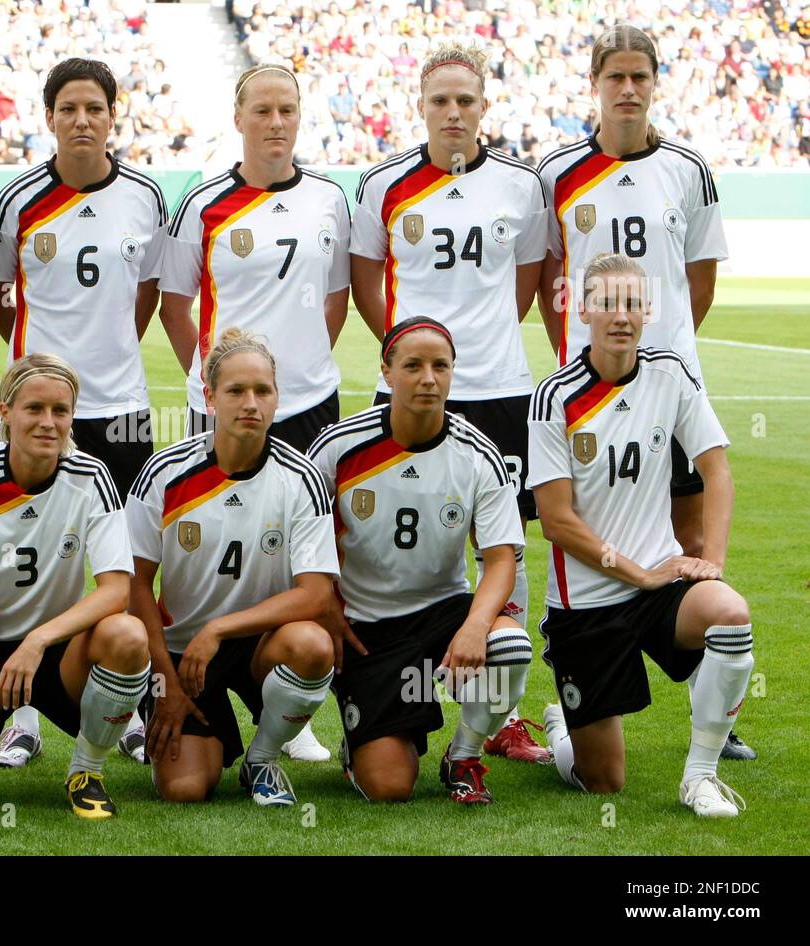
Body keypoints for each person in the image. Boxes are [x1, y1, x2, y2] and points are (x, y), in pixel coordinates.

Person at [536, 24, 752, 760]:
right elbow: (547, 276)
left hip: (667, 386)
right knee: (590, 539)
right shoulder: (559, 171)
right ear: (595, 83)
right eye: (615, 76)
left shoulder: (689, 168)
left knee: (691, 548)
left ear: (656, 82)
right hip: (590, 392)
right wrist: (581, 348)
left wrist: (667, 354)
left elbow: (701, 280)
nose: (628, 88)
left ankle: (714, 712)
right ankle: (578, 674)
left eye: (641, 76)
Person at [350, 43, 552, 764]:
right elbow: (366, 277)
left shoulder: (522, 186)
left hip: (498, 387)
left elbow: (528, 278)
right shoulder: (383, 185)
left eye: (466, 99)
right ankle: (381, 677)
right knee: (399, 531)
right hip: (408, 393)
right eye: (441, 100)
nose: (454, 112)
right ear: (422, 105)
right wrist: (410, 355)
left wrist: (477, 348)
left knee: (507, 542)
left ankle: (502, 712)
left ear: (483, 107)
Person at [157, 63, 350, 762]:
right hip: (220, 405)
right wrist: (210, 376)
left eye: (288, 110)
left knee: (304, 553)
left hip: (306, 404)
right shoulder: (203, 204)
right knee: (200, 544)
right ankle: (169, 673)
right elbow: (176, 302)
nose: (276, 122)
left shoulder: (330, 198)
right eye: (263, 110)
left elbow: (336, 299)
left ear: (301, 117)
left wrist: (291, 372)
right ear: (237, 117)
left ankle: (291, 710)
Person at [0, 58, 167, 767]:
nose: (82, 119)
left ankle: (125, 705)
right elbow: (3, 295)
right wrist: (40, 377)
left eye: (95, 107)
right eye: (69, 109)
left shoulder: (146, 195)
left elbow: (146, 294)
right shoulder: (19, 200)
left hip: (120, 409)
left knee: (126, 561)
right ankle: (22, 712)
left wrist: (105, 354)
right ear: (49, 116)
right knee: (31, 558)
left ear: (112, 115)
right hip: (36, 412)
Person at [529, 254, 753, 817]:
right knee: (603, 780)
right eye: (607, 303)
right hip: (588, 604)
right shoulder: (554, 397)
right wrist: (638, 571)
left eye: (632, 303)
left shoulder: (670, 372)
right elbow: (556, 521)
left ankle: (700, 777)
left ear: (648, 310)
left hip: (658, 588)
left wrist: (712, 561)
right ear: (583, 310)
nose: (621, 316)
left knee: (729, 612)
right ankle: (564, 730)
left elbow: (716, 469)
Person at [0, 354, 151, 819]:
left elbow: (116, 590)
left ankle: (86, 770)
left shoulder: (92, 476)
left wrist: (39, 639)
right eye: (34, 408)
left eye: (60, 411)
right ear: (5, 411)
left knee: (128, 635)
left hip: (58, 653)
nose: (48, 422)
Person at [309, 317, 532, 804]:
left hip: (442, 616)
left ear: (454, 372)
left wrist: (476, 624)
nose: (428, 378)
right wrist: (324, 602)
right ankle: (363, 741)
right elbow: (304, 540)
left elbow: (499, 560)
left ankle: (464, 755)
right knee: (389, 787)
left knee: (509, 645)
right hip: (365, 629)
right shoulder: (339, 447)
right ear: (387, 373)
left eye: (440, 366)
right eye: (413, 366)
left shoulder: (478, 454)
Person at [128, 329, 339, 806]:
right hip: (184, 654)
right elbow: (135, 585)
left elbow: (315, 595)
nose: (251, 404)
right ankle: (206, 731)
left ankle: (262, 760)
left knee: (311, 644)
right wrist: (162, 678)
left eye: (263, 391)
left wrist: (221, 628)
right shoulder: (165, 473)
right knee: (184, 790)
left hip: (263, 644)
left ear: (277, 397)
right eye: (236, 391)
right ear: (209, 396)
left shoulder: (300, 477)